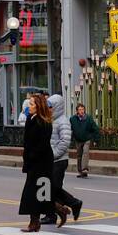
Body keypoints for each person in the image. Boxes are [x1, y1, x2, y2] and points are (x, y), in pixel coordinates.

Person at [18, 92, 66, 231]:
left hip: (41, 163)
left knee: (34, 193)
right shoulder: (30, 118)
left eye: (32, 104)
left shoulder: (44, 122)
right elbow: (27, 142)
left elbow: (42, 145)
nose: (29, 106)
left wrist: (32, 157)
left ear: (38, 107)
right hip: (32, 162)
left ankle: (34, 222)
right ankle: (59, 210)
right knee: (39, 194)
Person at [42, 94, 83, 225]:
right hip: (50, 160)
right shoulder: (50, 120)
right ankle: (53, 213)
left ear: (57, 107)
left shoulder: (63, 121)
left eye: (50, 106)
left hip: (59, 160)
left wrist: (52, 154)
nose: (48, 109)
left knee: (53, 188)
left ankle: (72, 204)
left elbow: (64, 141)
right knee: (48, 188)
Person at [69, 103, 99, 178]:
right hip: (78, 140)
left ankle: (84, 169)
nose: (81, 111)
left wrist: (96, 139)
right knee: (79, 155)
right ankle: (80, 171)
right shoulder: (72, 119)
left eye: (83, 109)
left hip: (87, 139)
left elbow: (95, 129)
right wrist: (70, 139)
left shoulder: (88, 118)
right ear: (77, 111)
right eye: (80, 110)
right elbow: (70, 130)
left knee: (85, 152)